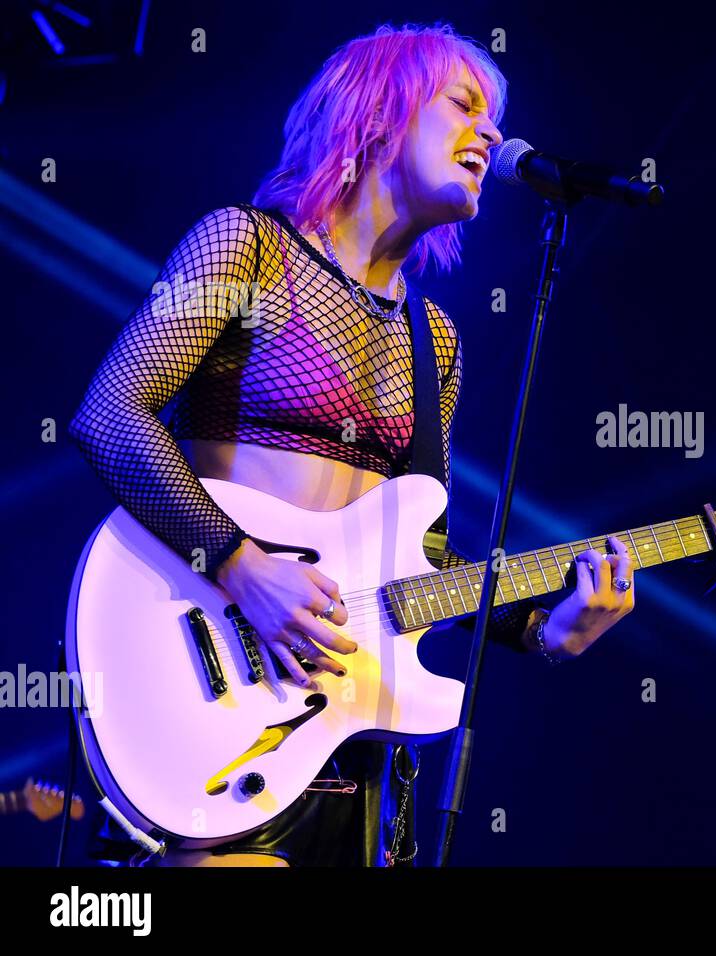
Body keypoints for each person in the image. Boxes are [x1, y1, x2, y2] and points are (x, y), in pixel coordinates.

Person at [68, 22, 635, 867]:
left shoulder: (433, 336)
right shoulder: (246, 247)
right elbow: (110, 414)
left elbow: (423, 559)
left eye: (495, 116)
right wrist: (239, 562)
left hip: (353, 750)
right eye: (464, 106)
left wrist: (541, 629)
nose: (491, 133)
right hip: (208, 707)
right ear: (378, 113)